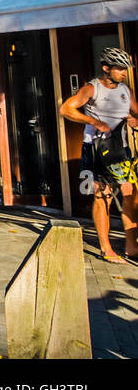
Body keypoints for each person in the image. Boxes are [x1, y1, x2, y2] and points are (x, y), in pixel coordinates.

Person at [60, 47, 138, 263]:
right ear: (106, 68)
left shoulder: (126, 90)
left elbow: (135, 112)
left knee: (130, 195)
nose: (124, 73)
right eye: (119, 69)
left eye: (125, 69)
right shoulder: (91, 88)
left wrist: (134, 119)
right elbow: (67, 109)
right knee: (103, 195)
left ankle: (132, 247)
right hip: (95, 149)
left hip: (121, 149)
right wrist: (94, 122)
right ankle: (106, 248)